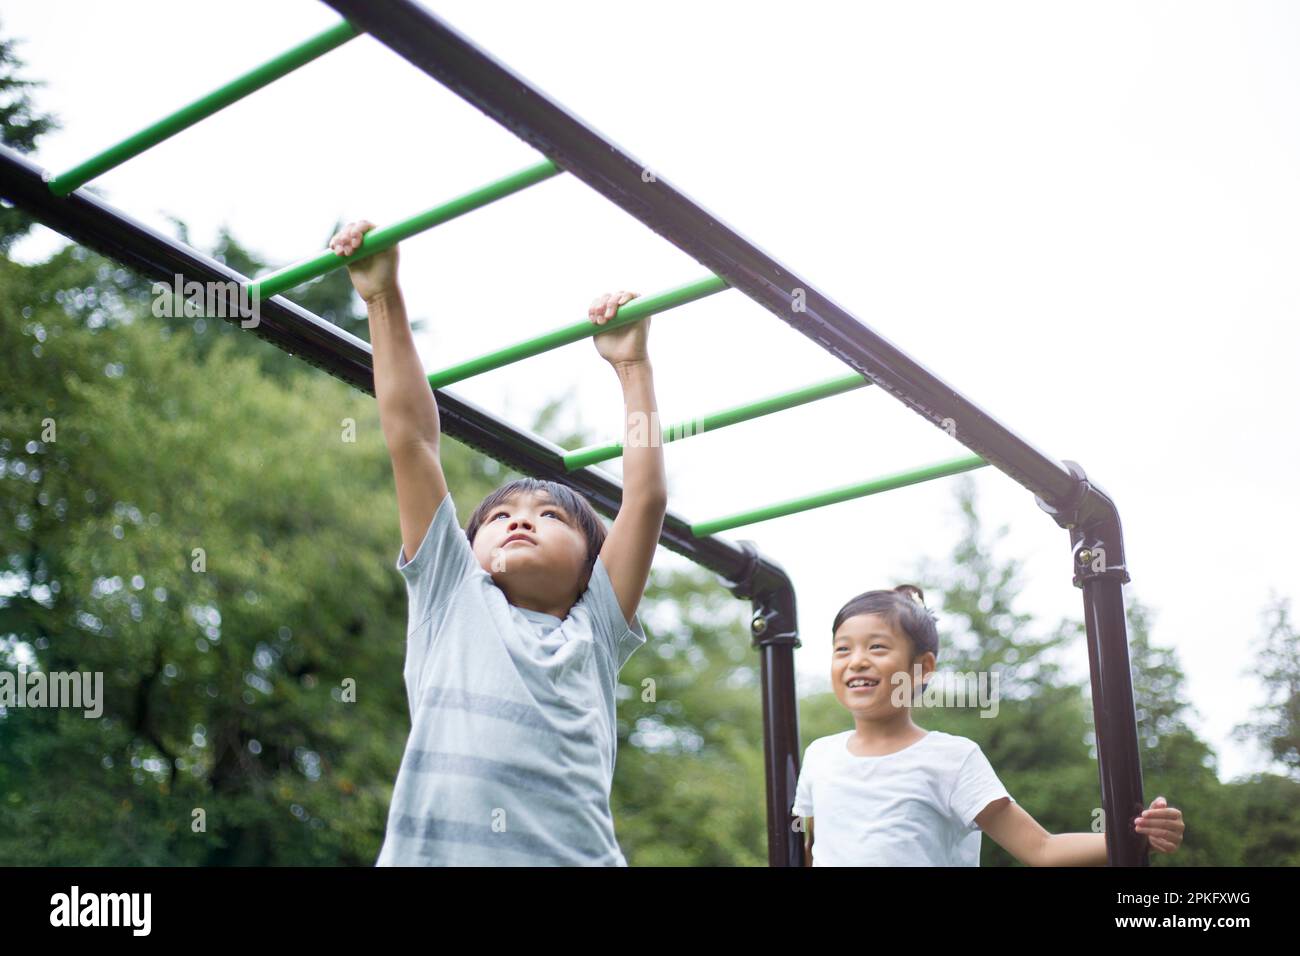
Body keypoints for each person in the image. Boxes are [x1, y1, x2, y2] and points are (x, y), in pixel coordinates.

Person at [329, 220, 667, 865]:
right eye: (500, 514)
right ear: (468, 544)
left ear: (593, 569)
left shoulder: (595, 627)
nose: (520, 519)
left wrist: (632, 367)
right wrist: (381, 299)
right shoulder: (452, 594)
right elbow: (412, 439)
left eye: (551, 516)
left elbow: (645, 498)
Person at [792, 585, 1185, 866]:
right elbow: (813, 852)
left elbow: (1042, 849)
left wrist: (1135, 839)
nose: (856, 660)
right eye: (842, 649)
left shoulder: (951, 758)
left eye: (876, 647)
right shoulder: (819, 756)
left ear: (923, 667)